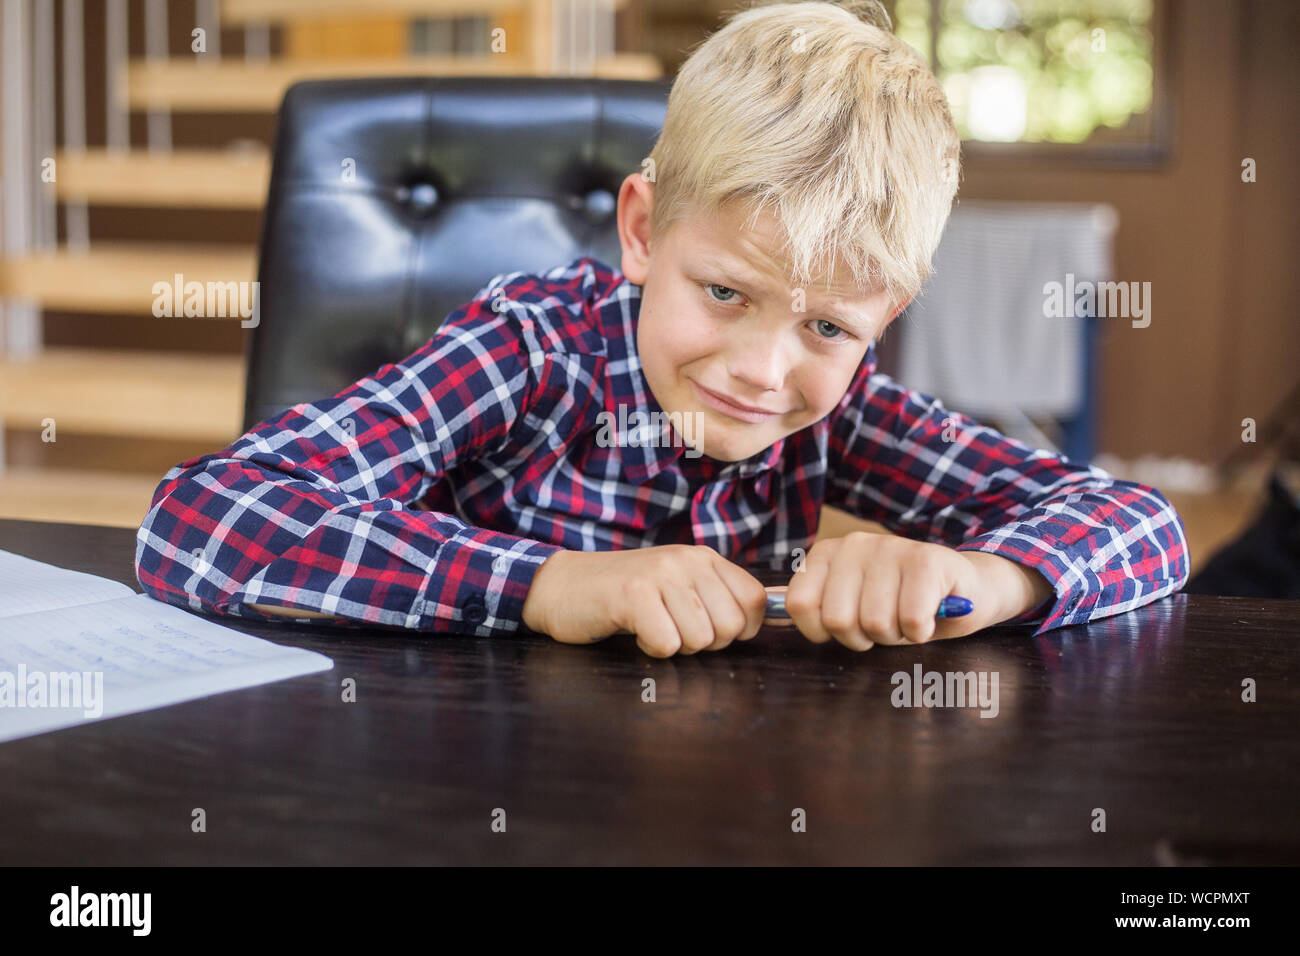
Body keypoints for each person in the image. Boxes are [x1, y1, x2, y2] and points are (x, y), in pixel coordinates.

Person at [135, 0, 1188, 658]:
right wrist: (544, 580)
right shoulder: (532, 347)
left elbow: (1142, 523)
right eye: (724, 292)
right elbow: (201, 517)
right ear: (641, 231)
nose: (760, 371)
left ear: (883, 321)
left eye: (826, 323)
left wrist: (978, 578)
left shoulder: (838, 404)